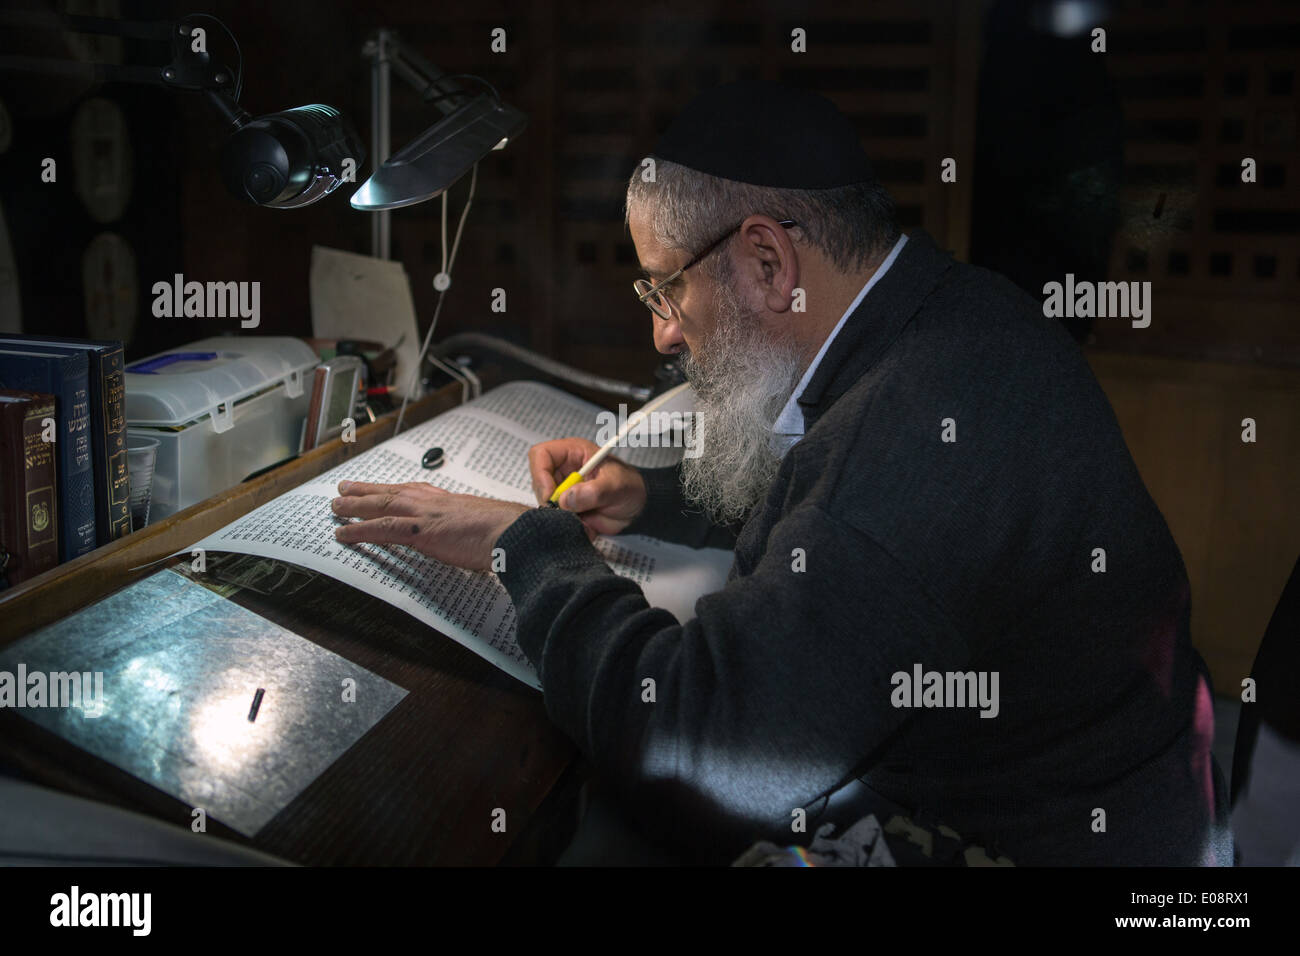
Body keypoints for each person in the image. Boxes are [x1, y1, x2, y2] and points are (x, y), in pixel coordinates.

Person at [331, 80, 1230, 866]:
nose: (664, 334)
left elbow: (711, 757)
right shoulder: (945, 317)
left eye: (664, 288)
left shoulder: (918, 428)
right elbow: (833, 502)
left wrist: (528, 547)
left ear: (767, 262)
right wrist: (653, 496)